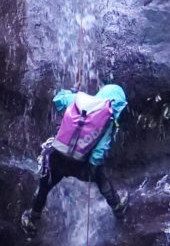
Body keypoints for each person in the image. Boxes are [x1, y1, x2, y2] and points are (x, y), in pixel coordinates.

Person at [21, 83, 129, 235]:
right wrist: (91, 169)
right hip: (79, 164)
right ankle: (117, 207)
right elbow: (99, 152)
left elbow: (58, 100)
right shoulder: (108, 117)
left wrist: (71, 91)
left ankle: (32, 219)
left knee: (44, 187)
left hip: (57, 157)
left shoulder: (78, 99)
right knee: (101, 178)